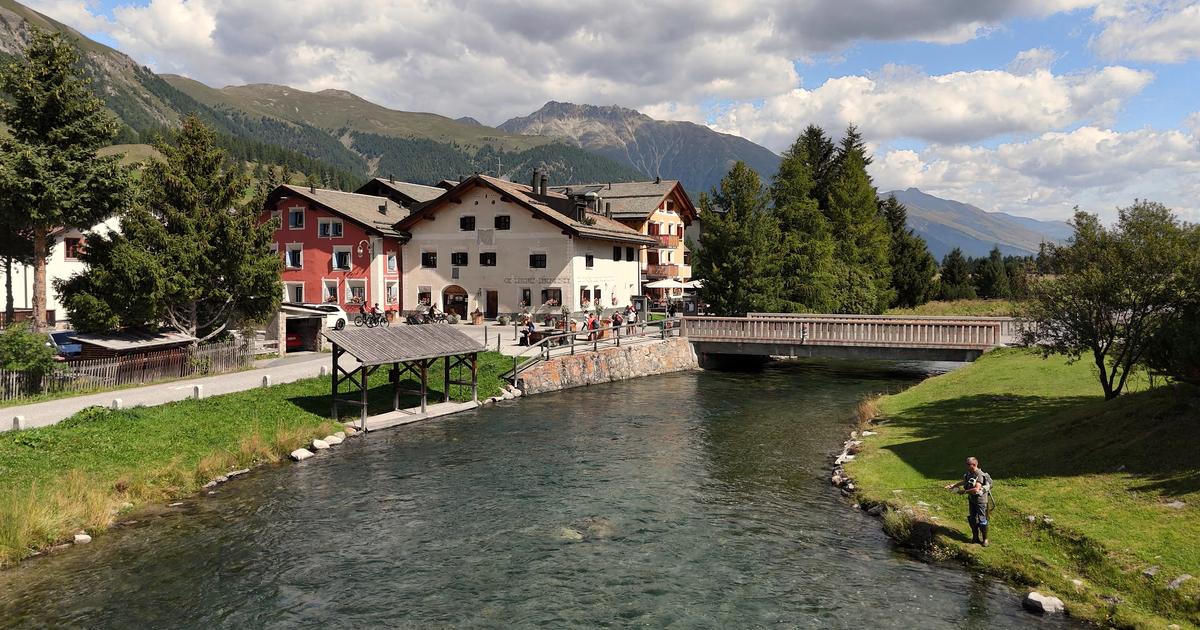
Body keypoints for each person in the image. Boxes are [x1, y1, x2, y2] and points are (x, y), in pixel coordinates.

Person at [945, 456, 993, 546]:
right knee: (972, 518)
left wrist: (963, 491)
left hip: (981, 501)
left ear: (974, 464)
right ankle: (975, 537)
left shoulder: (979, 474)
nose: (966, 466)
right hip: (972, 499)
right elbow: (964, 481)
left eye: (968, 464)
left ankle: (985, 539)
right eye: (966, 464)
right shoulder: (969, 473)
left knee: (982, 519)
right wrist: (953, 485)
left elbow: (976, 489)